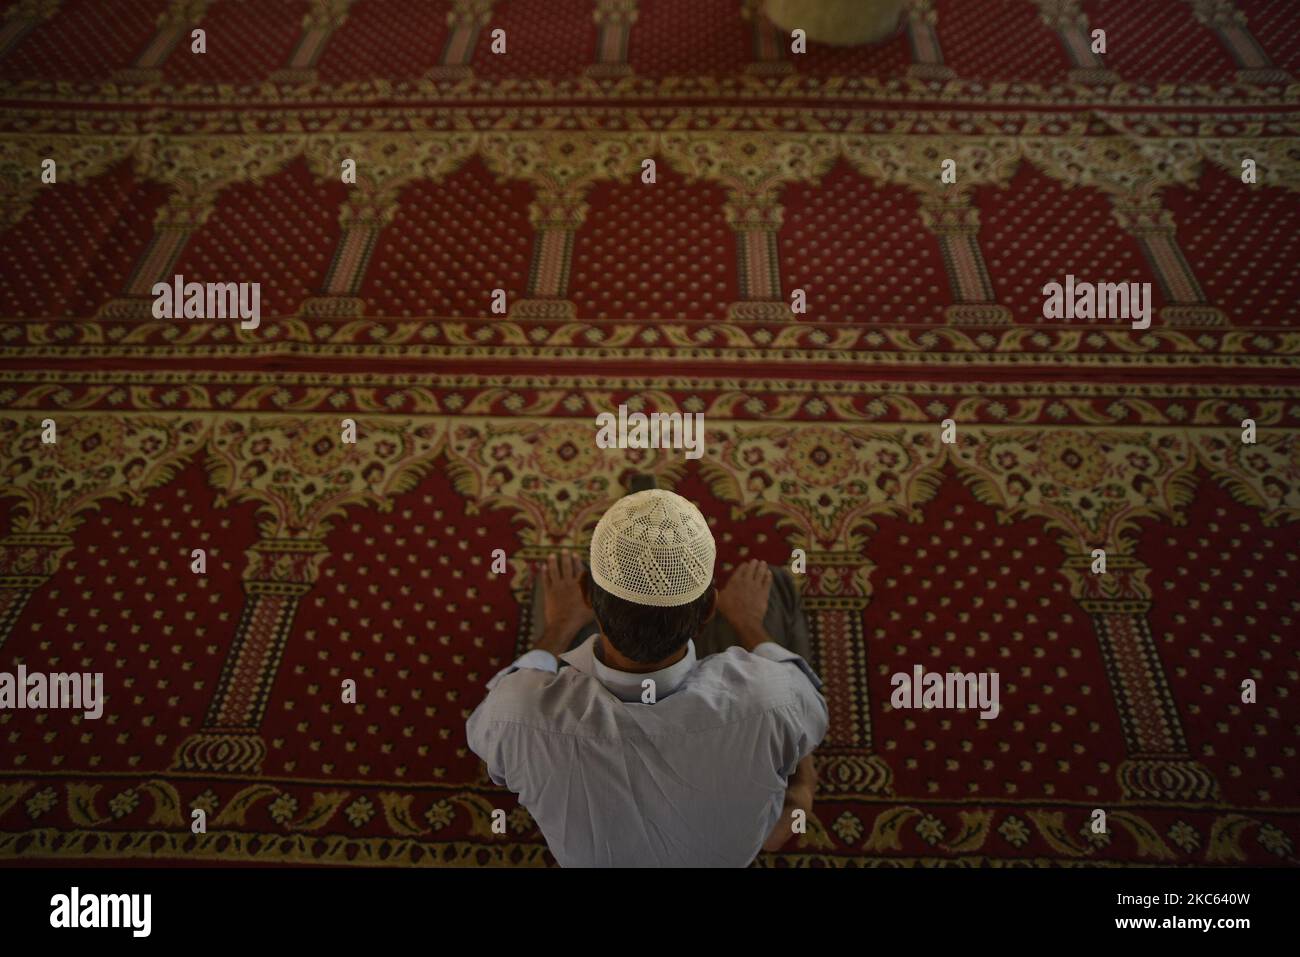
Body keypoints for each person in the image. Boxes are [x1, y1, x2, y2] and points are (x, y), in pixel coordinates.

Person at [466, 488, 829, 867]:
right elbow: (809, 712)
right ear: (709, 611)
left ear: (587, 597)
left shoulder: (515, 714)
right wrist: (749, 623)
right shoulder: (774, 698)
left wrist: (559, 624)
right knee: (776, 585)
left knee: (548, 585)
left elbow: (490, 750)